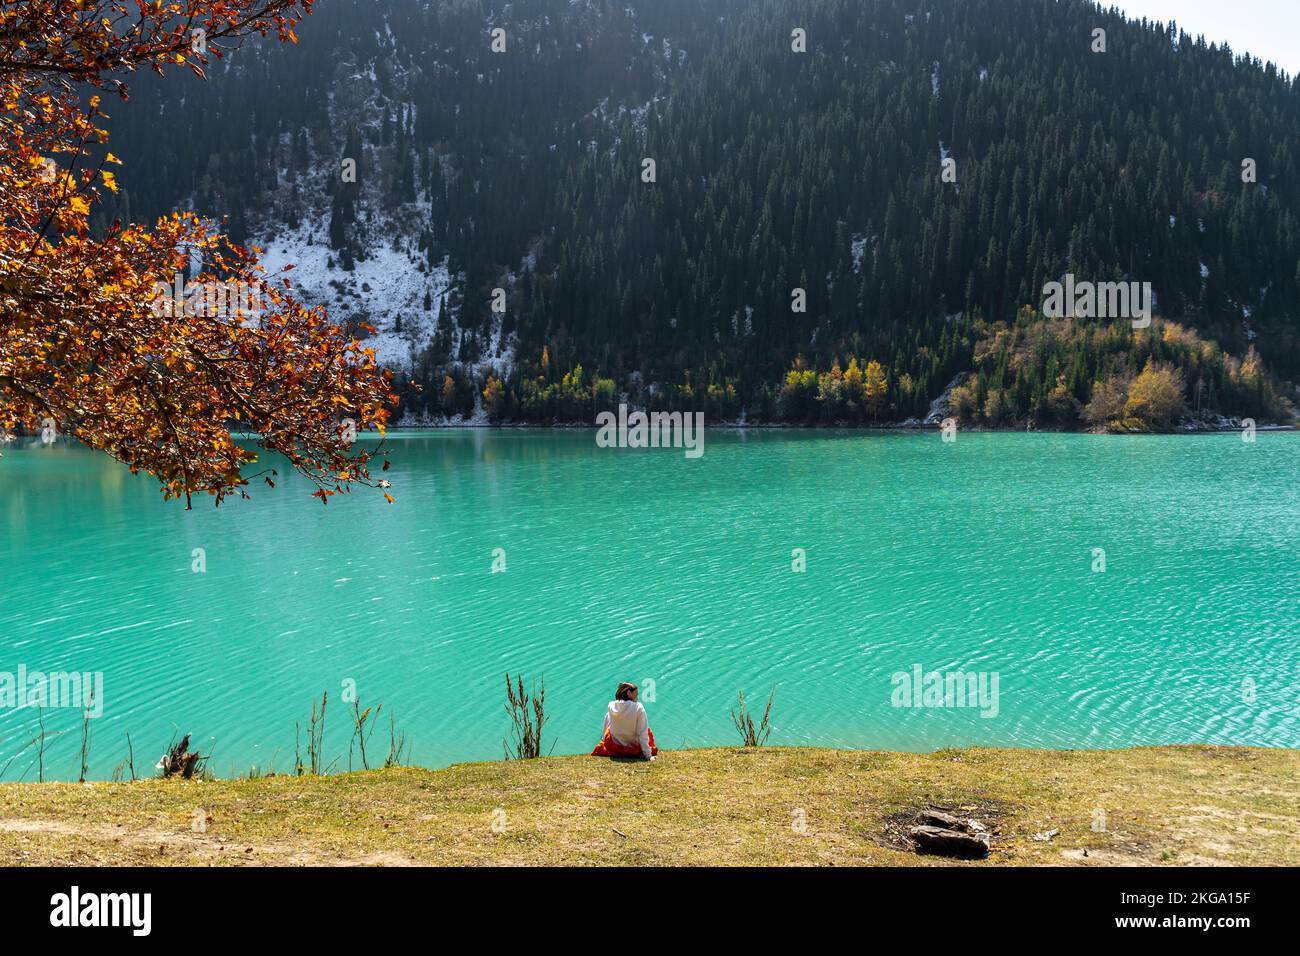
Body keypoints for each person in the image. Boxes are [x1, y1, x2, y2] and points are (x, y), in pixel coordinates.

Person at [590, 681, 657, 760]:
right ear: (629, 693)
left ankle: (603, 740)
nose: (637, 698)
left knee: (608, 716)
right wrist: (648, 756)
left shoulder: (612, 705)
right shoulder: (638, 707)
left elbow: (607, 723)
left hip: (614, 747)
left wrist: (604, 739)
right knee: (647, 730)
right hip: (633, 749)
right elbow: (642, 733)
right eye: (636, 694)